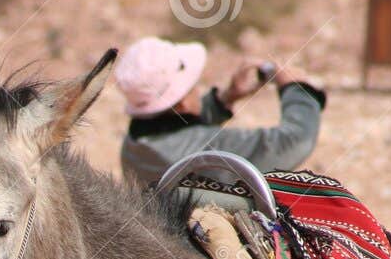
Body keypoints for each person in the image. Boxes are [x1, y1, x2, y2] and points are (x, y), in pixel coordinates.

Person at [114, 36, 326, 189]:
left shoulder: (134, 145)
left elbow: (175, 127)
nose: (198, 90)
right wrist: (296, 90)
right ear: (182, 105)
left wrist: (225, 99)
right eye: (193, 87)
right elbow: (294, 141)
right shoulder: (204, 155)